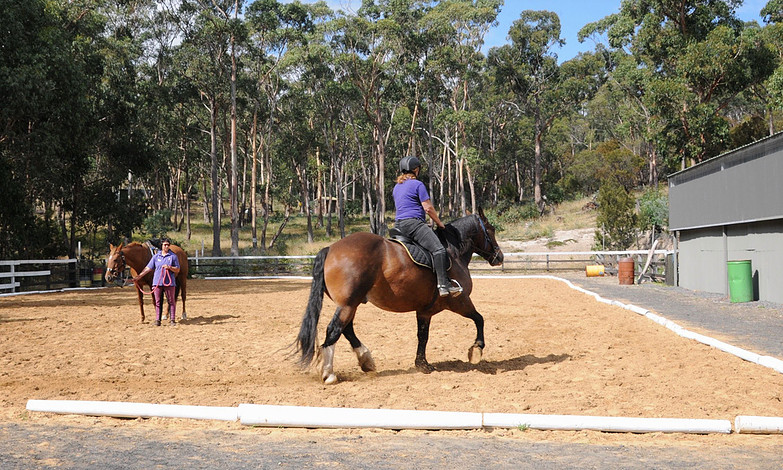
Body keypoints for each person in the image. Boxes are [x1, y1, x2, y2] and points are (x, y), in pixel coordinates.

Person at [392, 156, 462, 297]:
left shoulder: (396, 187)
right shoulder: (417, 185)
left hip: (398, 225)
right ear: (416, 169)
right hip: (413, 224)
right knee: (439, 250)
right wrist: (439, 223)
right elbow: (428, 208)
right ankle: (443, 285)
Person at [132, 237, 181, 326]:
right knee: (158, 301)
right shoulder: (156, 257)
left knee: (171, 301)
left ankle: (172, 319)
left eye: (168, 245)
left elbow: (177, 269)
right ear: (161, 246)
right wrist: (139, 276)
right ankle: (157, 320)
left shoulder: (173, 257)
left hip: (169, 282)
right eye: (165, 245)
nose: (166, 246)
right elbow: (148, 268)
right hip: (157, 282)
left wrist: (170, 268)